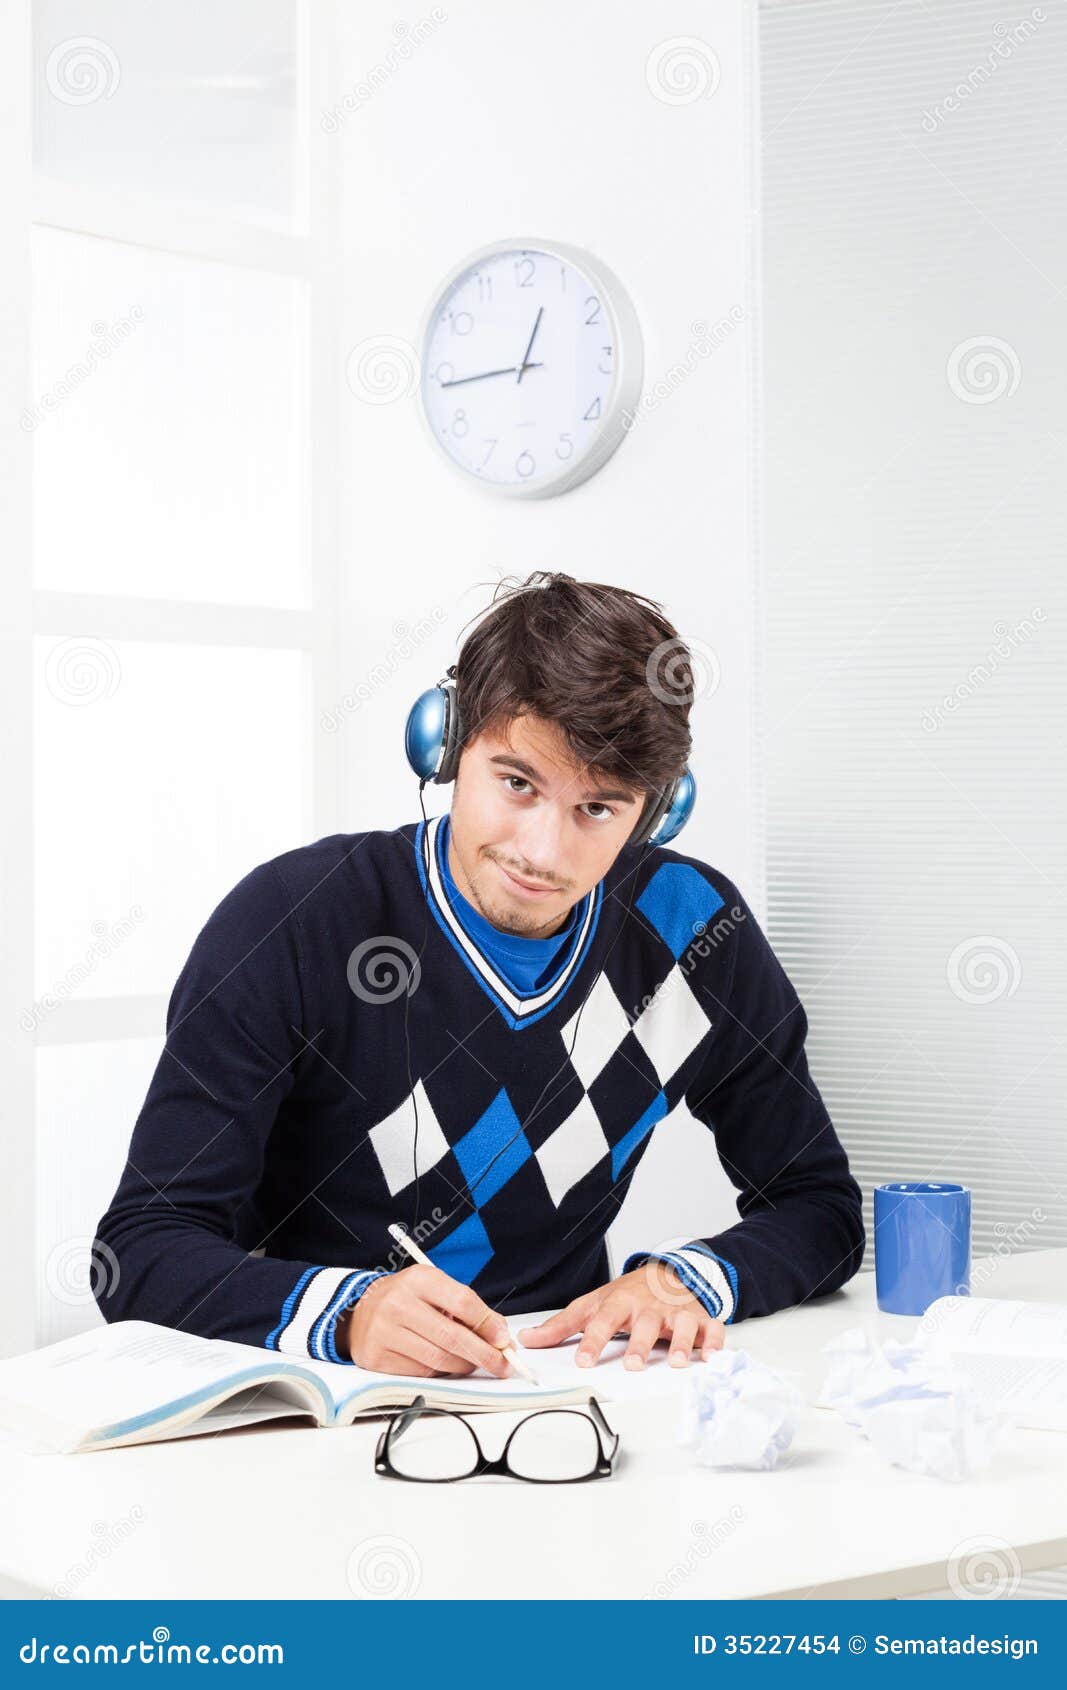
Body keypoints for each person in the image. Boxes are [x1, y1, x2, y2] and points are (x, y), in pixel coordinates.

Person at [92, 572, 864, 1379]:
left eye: (597, 809)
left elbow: (819, 1209)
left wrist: (686, 1282)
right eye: (517, 782)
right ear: (447, 746)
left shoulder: (690, 929)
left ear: (657, 811)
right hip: (328, 1399)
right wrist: (349, 1313)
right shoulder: (294, 917)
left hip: (560, 1394)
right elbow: (143, 1247)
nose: (543, 851)